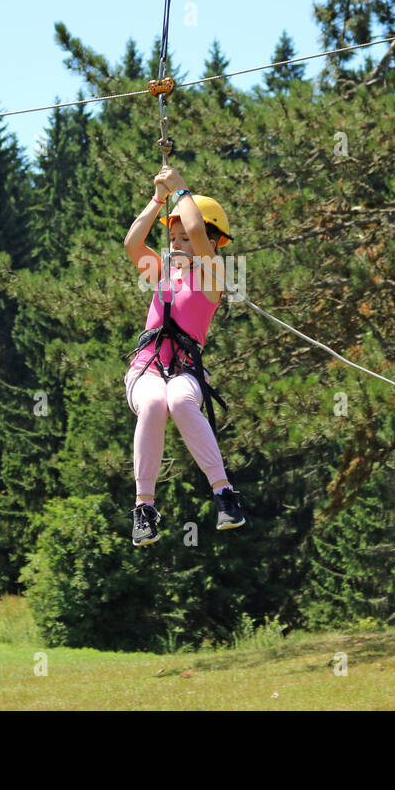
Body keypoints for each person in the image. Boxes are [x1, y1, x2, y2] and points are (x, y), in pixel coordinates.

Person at [122, 164, 244, 546]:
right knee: (156, 402)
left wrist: (181, 188)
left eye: (185, 240)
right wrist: (159, 197)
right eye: (171, 238)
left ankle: (223, 493)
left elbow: (196, 230)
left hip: (185, 370)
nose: (177, 243)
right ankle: (144, 507)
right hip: (147, 369)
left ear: (210, 243)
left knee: (178, 398)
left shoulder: (213, 277)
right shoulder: (160, 272)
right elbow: (132, 243)